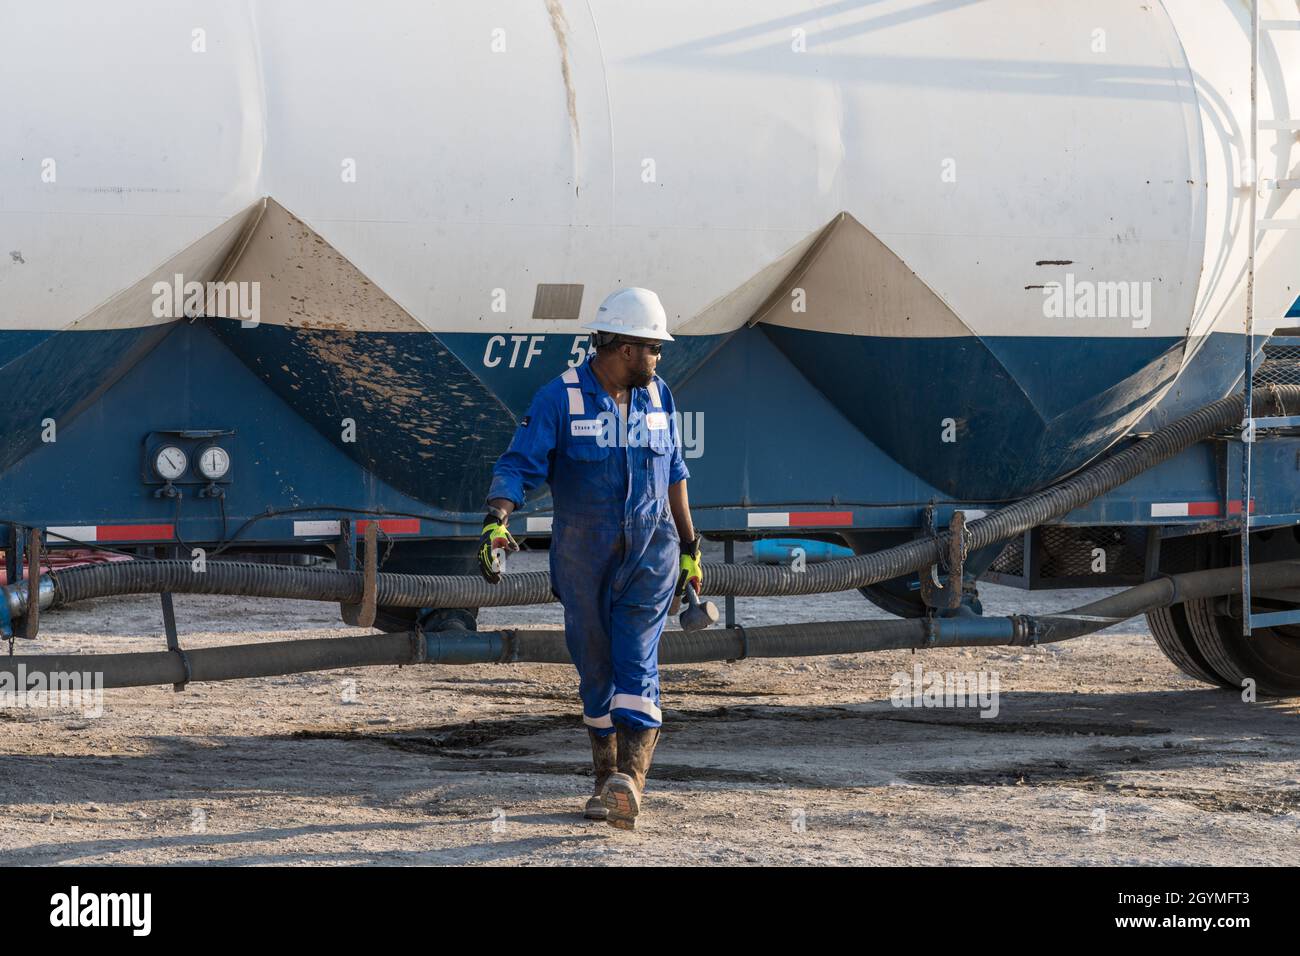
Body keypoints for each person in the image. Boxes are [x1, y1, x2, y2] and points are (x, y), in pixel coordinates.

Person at [478, 287, 702, 830]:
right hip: (583, 551)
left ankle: (633, 784)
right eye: (653, 347)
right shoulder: (559, 398)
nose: (658, 358)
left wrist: (692, 548)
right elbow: (520, 463)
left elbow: (674, 473)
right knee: (595, 665)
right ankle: (606, 783)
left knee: (637, 659)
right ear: (624, 348)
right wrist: (497, 519)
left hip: (652, 549)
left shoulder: (660, 397)